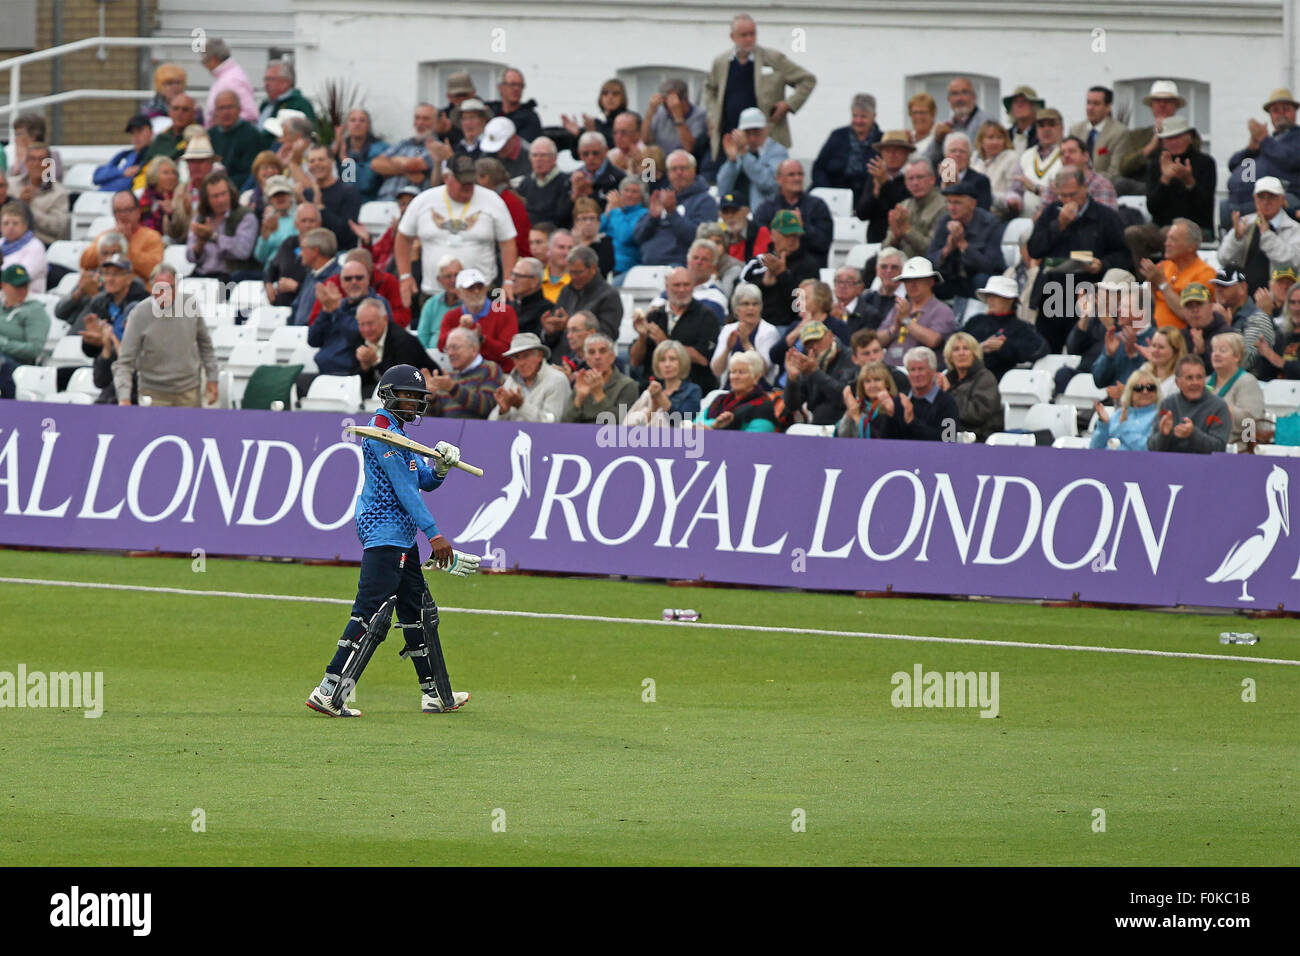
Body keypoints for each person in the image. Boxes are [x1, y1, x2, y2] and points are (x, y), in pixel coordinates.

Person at [305, 365, 473, 718]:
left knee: (419, 611)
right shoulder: (383, 433)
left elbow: (422, 480)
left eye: (418, 397)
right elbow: (406, 490)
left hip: (400, 535)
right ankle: (329, 690)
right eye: (408, 395)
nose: (413, 402)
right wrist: (435, 534)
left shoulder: (396, 431)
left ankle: (435, 694)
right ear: (389, 395)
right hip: (385, 533)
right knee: (371, 613)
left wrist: (440, 467)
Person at [1026, 166, 1130, 352]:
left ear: (1085, 188)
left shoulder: (1105, 217)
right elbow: (1034, 249)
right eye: (1062, 196)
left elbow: (1124, 256)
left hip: (1089, 293)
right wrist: (1058, 225)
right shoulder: (1051, 213)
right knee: (1047, 351)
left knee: (1082, 349)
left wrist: (1102, 265)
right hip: (1053, 293)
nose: (1067, 200)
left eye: (1072, 194)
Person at [396, 154, 517, 306]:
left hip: (480, 293)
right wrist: (405, 276)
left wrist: (508, 281)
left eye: (471, 181)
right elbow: (403, 237)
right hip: (434, 294)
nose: (467, 186)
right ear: (447, 178)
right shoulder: (424, 200)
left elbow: (507, 242)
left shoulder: (492, 200)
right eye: (462, 181)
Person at [704, 13, 817, 164]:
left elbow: (807, 80)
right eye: (744, 35)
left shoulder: (773, 58)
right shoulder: (721, 62)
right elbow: (710, 89)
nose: (749, 39)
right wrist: (713, 115)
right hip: (730, 137)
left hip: (766, 139)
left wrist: (789, 104)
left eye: (752, 34)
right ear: (733, 37)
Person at [113, 264, 217, 407]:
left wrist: (212, 377)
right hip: (153, 393)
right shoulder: (139, 314)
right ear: (151, 288)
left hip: (189, 390)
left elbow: (206, 346)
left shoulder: (189, 305)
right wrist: (124, 397)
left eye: (171, 287)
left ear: (177, 287)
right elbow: (125, 361)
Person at [629, 266, 720, 391]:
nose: (682, 289)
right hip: (653, 388)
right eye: (676, 285)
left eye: (686, 285)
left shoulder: (707, 316)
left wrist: (665, 343)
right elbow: (635, 361)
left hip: (691, 389)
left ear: (693, 286)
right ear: (667, 288)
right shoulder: (654, 316)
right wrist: (642, 337)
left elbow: (703, 359)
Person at [633, 150, 720, 265]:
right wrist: (652, 218)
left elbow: (699, 238)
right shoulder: (662, 196)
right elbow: (638, 237)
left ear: (693, 170)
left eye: (683, 168)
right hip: (647, 266)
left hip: (680, 266)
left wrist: (672, 213)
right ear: (668, 173)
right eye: (674, 169)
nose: (679, 173)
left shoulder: (705, 201)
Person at [1218, 177, 1300, 296]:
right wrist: (1236, 239)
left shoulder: (1294, 228)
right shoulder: (1245, 223)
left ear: (1282, 199)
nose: (1266, 201)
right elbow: (1223, 258)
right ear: (1255, 199)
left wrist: (1267, 236)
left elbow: (1293, 261)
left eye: (1272, 196)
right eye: (1261, 197)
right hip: (1245, 299)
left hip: (1281, 300)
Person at [925, 179, 1003, 303]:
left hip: (977, 279)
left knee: (982, 280)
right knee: (926, 281)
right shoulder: (945, 221)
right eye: (949, 202)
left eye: (957, 203)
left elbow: (992, 266)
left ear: (972, 204)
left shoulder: (990, 224)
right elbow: (929, 260)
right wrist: (947, 249)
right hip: (953, 278)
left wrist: (963, 245)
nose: (951, 208)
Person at [738, 209, 820, 324]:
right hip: (756, 324)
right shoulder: (757, 262)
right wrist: (763, 284)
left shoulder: (809, 265)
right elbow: (737, 295)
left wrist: (783, 275)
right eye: (787, 235)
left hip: (788, 326)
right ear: (773, 235)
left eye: (796, 235)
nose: (792, 239)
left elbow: (803, 307)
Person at [1226, 87, 1300, 213]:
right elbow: (1233, 165)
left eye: (1286, 109)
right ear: (1270, 115)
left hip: (1282, 202)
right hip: (1244, 203)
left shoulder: (1295, 138)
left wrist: (1264, 139)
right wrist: (1250, 150)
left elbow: (1291, 160)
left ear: (1295, 112)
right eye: (1276, 110)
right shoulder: (1269, 142)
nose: (1281, 114)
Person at [960, 275, 1049, 380]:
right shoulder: (976, 321)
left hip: (1001, 381)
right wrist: (980, 348)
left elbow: (1040, 350)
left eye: (996, 296)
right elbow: (953, 345)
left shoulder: (1021, 328)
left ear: (1010, 300)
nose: (990, 300)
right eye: (988, 296)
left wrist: (1004, 347)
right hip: (967, 377)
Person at [876, 257, 957, 367]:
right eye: (908, 280)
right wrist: (895, 327)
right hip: (889, 370)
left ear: (931, 282)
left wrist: (906, 320)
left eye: (918, 280)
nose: (912, 284)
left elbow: (932, 340)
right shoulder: (899, 307)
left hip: (920, 374)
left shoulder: (942, 310)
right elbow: (877, 341)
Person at [1143, 118, 1216, 236]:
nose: (1173, 142)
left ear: (1190, 138)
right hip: (1160, 226)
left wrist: (1189, 181)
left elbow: (1205, 206)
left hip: (1196, 228)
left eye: (1177, 137)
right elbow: (1152, 207)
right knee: (1133, 234)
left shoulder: (1205, 163)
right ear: (1162, 142)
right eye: (1168, 138)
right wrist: (1164, 180)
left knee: (1169, 233)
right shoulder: (1155, 165)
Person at [752, 160, 832, 267]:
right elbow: (759, 242)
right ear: (779, 179)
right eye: (791, 174)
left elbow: (823, 243)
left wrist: (803, 227)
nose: (797, 178)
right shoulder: (766, 208)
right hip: (772, 267)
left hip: (808, 268)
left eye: (800, 174)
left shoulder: (818, 205)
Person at [437, 267, 518, 369]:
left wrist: (482, 339)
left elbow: (508, 352)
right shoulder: (451, 316)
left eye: (480, 287)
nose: (476, 291)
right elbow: (441, 346)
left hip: (500, 373)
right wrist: (460, 330)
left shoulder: (505, 312)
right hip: (463, 374)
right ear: (458, 293)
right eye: (470, 288)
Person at [1147, 355, 1231, 453]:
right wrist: (1164, 435)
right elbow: (1152, 447)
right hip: (1170, 464)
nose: (1195, 382)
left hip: (1206, 466)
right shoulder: (1167, 404)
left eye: (1199, 377)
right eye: (1189, 378)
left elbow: (1219, 448)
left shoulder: (1218, 406)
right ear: (1178, 382)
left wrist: (1193, 434)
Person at [356, 296, 433, 398]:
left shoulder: (403, 341)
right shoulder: (360, 339)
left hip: (421, 394)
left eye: (370, 323)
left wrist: (375, 362)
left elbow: (402, 381)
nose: (366, 329)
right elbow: (357, 381)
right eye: (362, 324)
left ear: (385, 319)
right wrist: (364, 367)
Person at [783, 319, 857, 425]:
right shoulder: (808, 364)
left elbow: (844, 397)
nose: (815, 347)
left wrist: (815, 372)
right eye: (809, 344)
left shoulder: (849, 357)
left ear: (830, 335)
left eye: (818, 340)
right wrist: (792, 379)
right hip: (816, 424)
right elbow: (792, 406)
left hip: (846, 422)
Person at [187, 172, 259, 281]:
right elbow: (189, 256)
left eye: (224, 194)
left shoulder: (245, 216)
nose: (221, 200)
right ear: (206, 199)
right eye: (215, 196)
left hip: (230, 277)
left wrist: (214, 236)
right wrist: (200, 243)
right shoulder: (200, 218)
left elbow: (243, 251)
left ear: (231, 193)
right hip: (203, 275)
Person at [716, 106, 789, 210]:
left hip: (763, 214)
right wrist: (732, 160)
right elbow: (722, 189)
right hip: (736, 212)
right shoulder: (739, 149)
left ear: (766, 130)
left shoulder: (777, 152)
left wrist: (745, 155)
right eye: (747, 133)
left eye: (756, 133)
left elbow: (770, 184)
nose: (752, 139)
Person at [81, 191, 164, 282]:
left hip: (138, 290)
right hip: (106, 287)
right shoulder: (107, 236)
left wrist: (127, 245)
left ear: (138, 211)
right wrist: (109, 244)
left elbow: (154, 271)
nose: (123, 215)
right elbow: (85, 262)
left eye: (128, 209)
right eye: (118, 211)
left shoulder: (152, 237)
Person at [490, 332, 572, 422]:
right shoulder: (511, 381)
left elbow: (551, 423)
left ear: (540, 356)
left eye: (526, 356)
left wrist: (521, 406)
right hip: (514, 435)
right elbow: (491, 424)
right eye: (516, 357)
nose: (521, 363)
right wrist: (503, 411)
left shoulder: (557, 380)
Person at [426, 326, 505, 419]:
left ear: (473, 349)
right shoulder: (448, 378)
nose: (450, 353)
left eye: (455, 347)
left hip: (477, 431)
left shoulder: (490, 369)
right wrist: (431, 398)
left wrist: (453, 388)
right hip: (446, 431)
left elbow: (488, 407)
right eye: (447, 349)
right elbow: (433, 418)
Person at [370, 103, 445, 201]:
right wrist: (409, 172)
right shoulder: (403, 144)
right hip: (384, 201)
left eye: (425, 119)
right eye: (417, 118)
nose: (420, 123)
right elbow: (375, 164)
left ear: (436, 123)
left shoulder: (438, 147)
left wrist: (391, 165)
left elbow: (413, 165)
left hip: (412, 205)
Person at [812, 94, 881, 194]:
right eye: (855, 116)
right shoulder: (837, 136)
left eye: (863, 116)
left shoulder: (881, 141)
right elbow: (818, 168)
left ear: (874, 117)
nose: (858, 121)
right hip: (833, 192)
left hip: (866, 197)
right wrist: (828, 192)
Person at [939, 332, 1003, 441]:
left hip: (978, 438)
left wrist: (949, 393)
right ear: (950, 356)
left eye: (966, 348)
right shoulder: (947, 378)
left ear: (975, 353)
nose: (961, 353)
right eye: (956, 350)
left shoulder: (985, 378)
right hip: (948, 434)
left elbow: (976, 414)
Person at [562, 333, 639, 423]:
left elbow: (621, 424)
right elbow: (565, 424)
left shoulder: (628, 385)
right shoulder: (581, 383)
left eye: (602, 351)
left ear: (612, 357)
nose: (597, 357)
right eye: (591, 352)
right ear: (586, 359)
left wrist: (599, 395)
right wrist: (579, 399)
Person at [888, 346, 960, 440]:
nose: (916, 374)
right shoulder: (900, 401)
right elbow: (887, 440)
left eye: (921, 369)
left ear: (933, 371)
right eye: (912, 370)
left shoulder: (947, 402)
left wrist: (912, 422)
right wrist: (889, 416)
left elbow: (948, 440)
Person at [1207, 332, 1266, 444]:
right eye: (1214, 350)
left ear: (1237, 356)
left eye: (1223, 350)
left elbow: (1252, 422)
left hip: (1237, 447)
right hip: (1205, 444)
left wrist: (1219, 405)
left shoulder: (1247, 381)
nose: (1216, 354)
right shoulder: (1205, 382)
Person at [626, 339, 703, 425]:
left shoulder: (692, 390)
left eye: (672, 359)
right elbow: (640, 427)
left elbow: (684, 422)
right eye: (662, 360)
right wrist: (653, 408)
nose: (667, 365)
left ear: (682, 362)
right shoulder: (651, 391)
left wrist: (660, 398)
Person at [0, 264, 50, 400]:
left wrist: (3, 344)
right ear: (4, 286)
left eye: (24, 286)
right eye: (17, 286)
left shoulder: (35, 311)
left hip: (19, 365)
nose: (22, 290)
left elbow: (34, 349)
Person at [856, 129, 914, 243]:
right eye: (887, 150)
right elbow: (861, 214)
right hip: (876, 240)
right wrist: (876, 192)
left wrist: (885, 184)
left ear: (906, 153)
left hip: (905, 240)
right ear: (881, 153)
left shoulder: (912, 175)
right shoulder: (874, 176)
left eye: (897, 150)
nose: (892, 155)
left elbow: (904, 205)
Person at [1211, 268, 1275, 372]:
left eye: (1225, 285)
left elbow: (1245, 362)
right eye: (1216, 285)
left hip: (1249, 383)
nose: (1218, 290)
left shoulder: (1257, 318)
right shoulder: (1215, 316)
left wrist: (1226, 329)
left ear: (1242, 287)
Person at [554, 245, 624, 340]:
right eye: (571, 272)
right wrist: (550, 331)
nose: (574, 277)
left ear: (593, 268)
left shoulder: (609, 296)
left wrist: (571, 326)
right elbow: (553, 337)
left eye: (578, 272)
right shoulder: (566, 291)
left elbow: (608, 335)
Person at [696, 351, 777, 431]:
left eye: (741, 372)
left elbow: (757, 439)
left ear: (756, 377)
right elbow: (696, 424)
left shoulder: (763, 405)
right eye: (733, 372)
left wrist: (717, 430)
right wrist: (714, 425)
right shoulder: (720, 399)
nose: (735, 377)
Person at [1007, 108, 1064, 218]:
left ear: (1061, 129)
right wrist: (1013, 200)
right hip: (1025, 220)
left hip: (1056, 222)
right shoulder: (1027, 155)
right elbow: (1015, 189)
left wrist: (1035, 188)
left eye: (1051, 125)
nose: (1046, 129)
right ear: (1036, 130)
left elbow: (1067, 195)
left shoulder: (1068, 154)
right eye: (1041, 125)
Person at [883, 157, 944, 260]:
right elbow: (885, 250)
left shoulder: (944, 206)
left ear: (932, 179)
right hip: (902, 266)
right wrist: (896, 239)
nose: (915, 183)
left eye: (920, 177)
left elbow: (933, 250)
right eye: (910, 178)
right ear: (906, 183)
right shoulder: (902, 206)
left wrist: (907, 231)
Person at [925, 77, 993, 168]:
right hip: (950, 176)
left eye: (964, 92)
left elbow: (983, 157)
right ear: (948, 99)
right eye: (954, 94)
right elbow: (926, 161)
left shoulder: (987, 122)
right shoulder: (946, 125)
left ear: (974, 97)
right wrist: (937, 140)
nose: (959, 98)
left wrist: (954, 138)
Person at [1089, 368, 1162, 450]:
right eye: (1139, 388)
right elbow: (1094, 449)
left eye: (1150, 388)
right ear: (1130, 392)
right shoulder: (1118, 414)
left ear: (1157, 391)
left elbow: (1148, 448)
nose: (1145, 392)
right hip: (1106, 460)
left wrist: (1124, 426)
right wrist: (1103, 425)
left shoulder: (1160, 417)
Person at [11, 142, 68, 245]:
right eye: (32, 159)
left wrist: (29, 209)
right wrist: (18, 204)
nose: (37, 164)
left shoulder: (59, 193)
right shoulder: (11, 185)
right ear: (26, 163)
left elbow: (58, 228)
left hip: (42, 244)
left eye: (42, 159)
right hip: (9, 242)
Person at [1069, 86, 1128, 179]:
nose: (1090, 108)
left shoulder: (1119, 132)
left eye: (1096, 104)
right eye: (1088, 103)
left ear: (1108, 107)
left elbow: (1115, 172)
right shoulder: (1075, 130)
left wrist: (1087, 179)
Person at [643, 78, 709, 161]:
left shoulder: (700, 115)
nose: (668, 105)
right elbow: (646, 141)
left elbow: (689, 148)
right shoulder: (661, 112)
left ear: (684, 100)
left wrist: (677, 115)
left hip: (685, 164)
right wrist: (650, 112)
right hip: (661, 164)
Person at [208, 90, 263, 188]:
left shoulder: (251, 135)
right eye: (221, 108)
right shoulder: (211, 135)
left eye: (230, 107)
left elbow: (251, 173)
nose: (226, 112)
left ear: (240, 109)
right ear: (215, 111)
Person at [837, 361, 906, 439]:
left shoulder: (895, 407)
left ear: (886, 383)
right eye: (867, 381)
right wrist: (848, 416)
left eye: (877, 380)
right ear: (862, 386)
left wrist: (856, 417)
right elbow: (840, 437)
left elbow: (880, 439)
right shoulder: (858, 406)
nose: (872, 385)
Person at [517, 137, 572, 229]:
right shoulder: (526, 183)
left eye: (543, 155)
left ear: (554, 158)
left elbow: (562, 216)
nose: (539, 159)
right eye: (535, 155)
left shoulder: (566, 182)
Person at [290, 227, 340, 326]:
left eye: (303, 248)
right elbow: (296, 307)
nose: (300, 253)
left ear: (315, 251)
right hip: (296, 335)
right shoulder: (311, 275)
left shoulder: (338, 277)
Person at [1178, 282, 1232, 374]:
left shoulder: (1227, 335)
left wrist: (1202, 353)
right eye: (1189, 306)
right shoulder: (1180, 337)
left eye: (1199, 304)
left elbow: (1226, 373)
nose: (1195, 310)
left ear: (1211, 306)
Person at [600, 176, 647, 278]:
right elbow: (595, 230)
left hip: (627, 270)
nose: (629, 195)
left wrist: (615, 211)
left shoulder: (644, 214)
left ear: (642, 196)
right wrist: (607, 212)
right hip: (604, 265)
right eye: (626, 190)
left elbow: (624, 236)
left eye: (635, 192)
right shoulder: (616, 212)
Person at [561, 78, 628, 149]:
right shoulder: (598, 122)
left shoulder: (629, 120)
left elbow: (621, 147)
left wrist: (594, 132)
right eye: (605, 93)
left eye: (615, 94)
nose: (610, 97)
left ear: (622, 97)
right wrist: (578, 134)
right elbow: (577, 155)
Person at [93, 114, 154, 192]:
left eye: (139, 131)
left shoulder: (152, 156)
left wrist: (109, 180)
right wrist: (122, 172)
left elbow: (128, 184)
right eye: (132, 133)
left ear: (151, 132)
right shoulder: (124, 154)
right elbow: (97, 177)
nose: (136, 136)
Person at [259, 60, 317, 138]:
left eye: (271, 79)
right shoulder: (265, 104)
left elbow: (308, 135)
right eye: (266, 79)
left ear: (286, 82)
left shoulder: (300, 105)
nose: (266, 84)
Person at [972, 122, 1019, 219]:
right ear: (981, 141)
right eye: (990, 138)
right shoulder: (975, 161)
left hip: (1001, 214)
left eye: (999, 138)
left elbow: (1013, 191)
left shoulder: (1011, 157)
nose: (995, 142)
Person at [139, 156, 191, 242]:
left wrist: (172, 215)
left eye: (174, 173)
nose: (171, 177)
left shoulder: (182, 196)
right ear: (154, 175)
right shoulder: (146, 198)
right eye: (166, 173)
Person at [416, 256, 463, 349]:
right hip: (433, 357)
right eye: (448, 276)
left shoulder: (472, 305)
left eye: (457, 275)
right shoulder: (431, 304)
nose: (453, 280)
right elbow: (422, 338)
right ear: (439, 280)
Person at [0, 202, 48, 293]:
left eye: (15, 223)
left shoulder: (35, 246)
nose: (10, 227)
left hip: (28, 299)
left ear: (25, 225)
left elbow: (21, 276)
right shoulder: (0, 243)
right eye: (6, 223)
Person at [485, 67, 542, 143]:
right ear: (500, 88)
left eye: (520, 85)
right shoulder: (491, 112)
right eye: (512, 84)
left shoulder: (530, 117)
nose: (516, 89)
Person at [141, 95, 200, 165]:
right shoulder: (161, 138)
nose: (179, 113)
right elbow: (146, 165)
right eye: (176, 108)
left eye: (185, 109)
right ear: (169, 112)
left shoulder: (199, 137)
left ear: (193, 113)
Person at [253, 175, 298, 265]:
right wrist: (264, 238)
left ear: (290, 196)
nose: (280, 198)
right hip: (270, 272)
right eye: (275, 195)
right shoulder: (268, 221)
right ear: (269, 200)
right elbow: (260, 257)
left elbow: (294, 248)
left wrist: (275, 233)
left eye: (283, 193)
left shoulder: (299, 218)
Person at [941, 132, 993, 210]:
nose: (958, 154)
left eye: (962, 151)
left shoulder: (981, 181)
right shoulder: (937, 179)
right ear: (946, 156)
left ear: (969, 156)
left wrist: (958, 186)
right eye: (953, 151)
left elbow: (982, 211)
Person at [570, 197, 615, 278]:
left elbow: (602, 271)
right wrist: (577, 244)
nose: (588, 223)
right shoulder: (567, 242)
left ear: (599, 221)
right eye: (584, 218)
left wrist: (582, 246)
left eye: (592, 218)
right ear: (575, 222)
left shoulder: (606, 242)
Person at [504, 256, 548, 337]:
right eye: (513, 274)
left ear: (535, 281)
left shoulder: (546, 310)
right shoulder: (507, 303)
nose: (513, 279)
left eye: (519, 276)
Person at [1001, 85, 1043, 156]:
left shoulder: (1041, 135)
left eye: (1024, 101)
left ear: (1034, 106)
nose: (1019, 105)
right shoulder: (1006, 135)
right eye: (1016, 102)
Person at [541, 230, 573, 302]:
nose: (566, 253)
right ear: (548, 249)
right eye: (561, 247)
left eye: (570, 248)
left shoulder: (578, 283)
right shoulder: (536, 279)